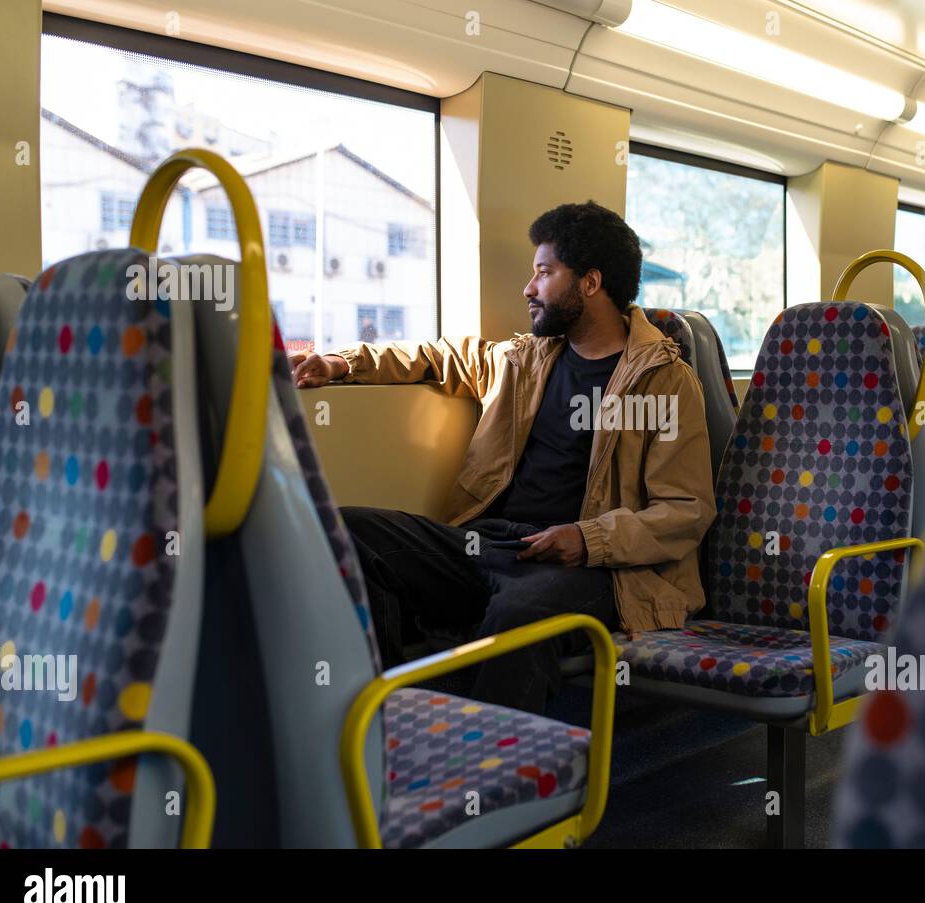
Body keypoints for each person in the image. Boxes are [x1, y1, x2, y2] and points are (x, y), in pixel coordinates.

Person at [289, 201, 714, 715]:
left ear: (590, 283)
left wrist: (587, 538)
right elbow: (436, 357)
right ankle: (382, 721)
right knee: (349, 532)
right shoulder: (525, 359)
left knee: (518, 616)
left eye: (543, 272)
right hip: (489, 541)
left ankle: (484, 773)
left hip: (594, 565)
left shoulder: (664, 381)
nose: (528, 289)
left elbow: (684, 510)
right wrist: (340, 363)